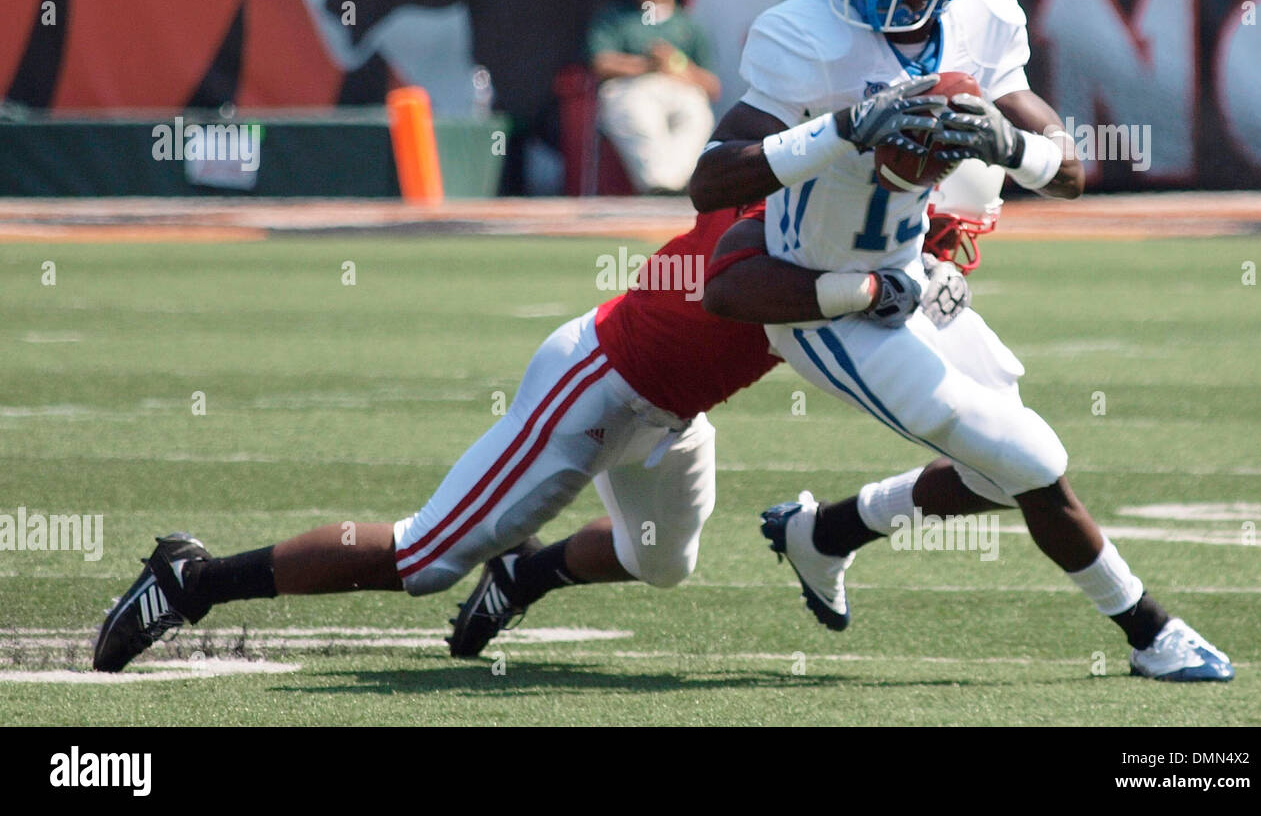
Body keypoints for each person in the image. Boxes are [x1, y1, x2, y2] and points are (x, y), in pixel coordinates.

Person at [687, 0, 1231, 681]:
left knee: (994, 474)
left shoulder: (985, 17)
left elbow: (1071, 172)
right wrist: (842, 129)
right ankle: (1151, 631)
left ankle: (822, 533)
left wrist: (1004, 145)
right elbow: (710, 179)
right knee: (1031, 457)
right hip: (818, 295)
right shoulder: (805, 32)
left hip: (911, 275)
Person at [92, 199, 919, 671]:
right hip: (596, 384)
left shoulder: (845, 212)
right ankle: (191, 580)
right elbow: (745, 277)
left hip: (673, 412)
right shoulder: (784, 207)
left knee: (664, 561)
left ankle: (528, 571)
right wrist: (873, 284)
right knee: (422, 559)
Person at [587, 0, 721, 193]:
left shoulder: (689, 26)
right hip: (630, 90)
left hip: (679, 89)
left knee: (696, 114)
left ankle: (674, 185)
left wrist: (675, 64)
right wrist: (649, 65)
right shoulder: (616, 19)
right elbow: (600, 63)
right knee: (641, 114)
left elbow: (712, 86)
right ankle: (660, 187)